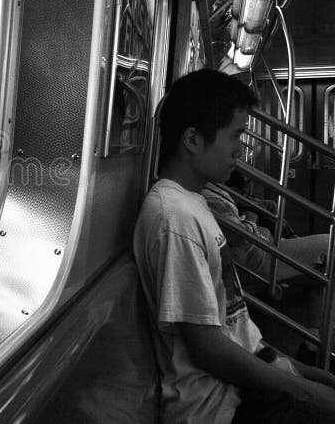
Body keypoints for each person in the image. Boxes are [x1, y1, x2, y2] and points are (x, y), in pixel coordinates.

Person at [133, 69, 335, 423]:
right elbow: (208, 349)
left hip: (242, 383)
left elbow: (237, 329)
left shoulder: (193, 202)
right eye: (235, 136)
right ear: (193, 139)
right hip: (218, 406)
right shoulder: (174, 218)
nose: (240, 151)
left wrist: (301, 371)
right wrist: (303, 390)